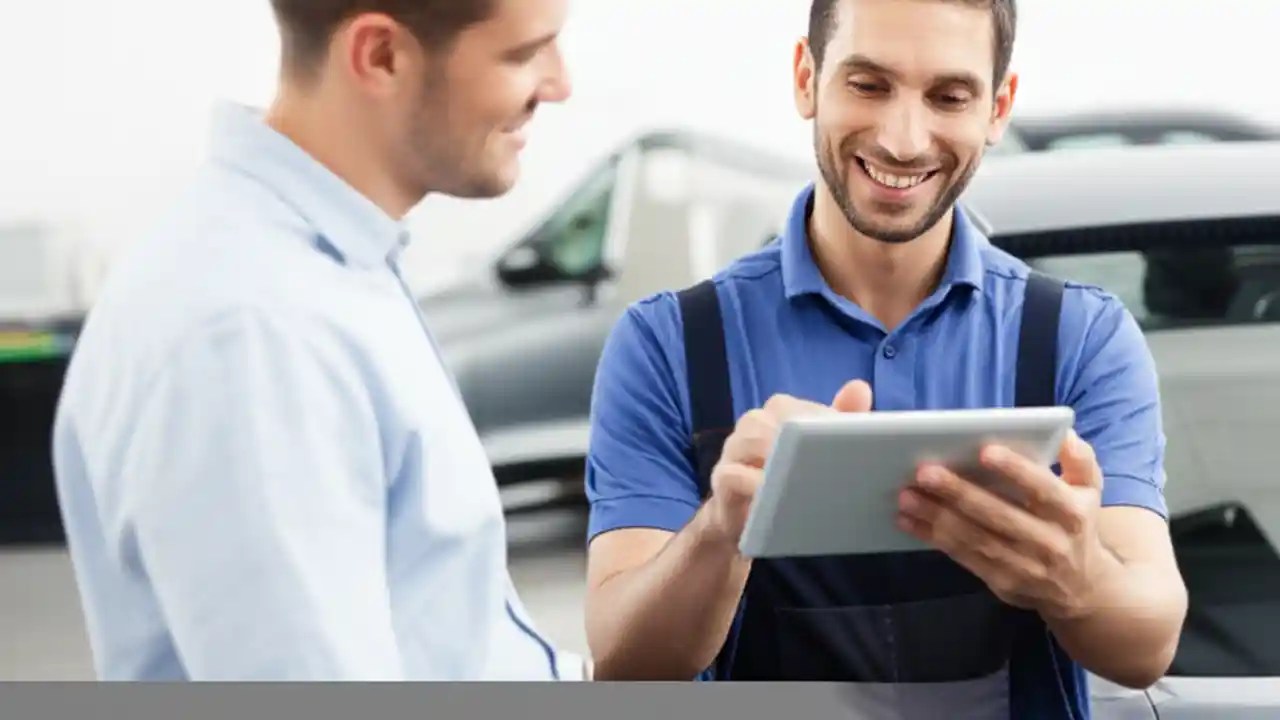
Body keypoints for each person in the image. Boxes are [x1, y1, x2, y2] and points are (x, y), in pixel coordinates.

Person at [581, 0, 1188, 717]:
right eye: (868, 85)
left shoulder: (1080, 337)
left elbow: (1148, 645)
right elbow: (622, 662)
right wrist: (723, 530)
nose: (904, 139)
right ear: (807, 79)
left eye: (948, 96)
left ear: (998, 108)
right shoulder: (669, 344)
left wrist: (1078, 578)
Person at [52, 0, 584, 681]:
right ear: (380, 56)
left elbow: (442, 632)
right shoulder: (252, 334)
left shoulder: (327, 272)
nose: (560, 84)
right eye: (522, 55)